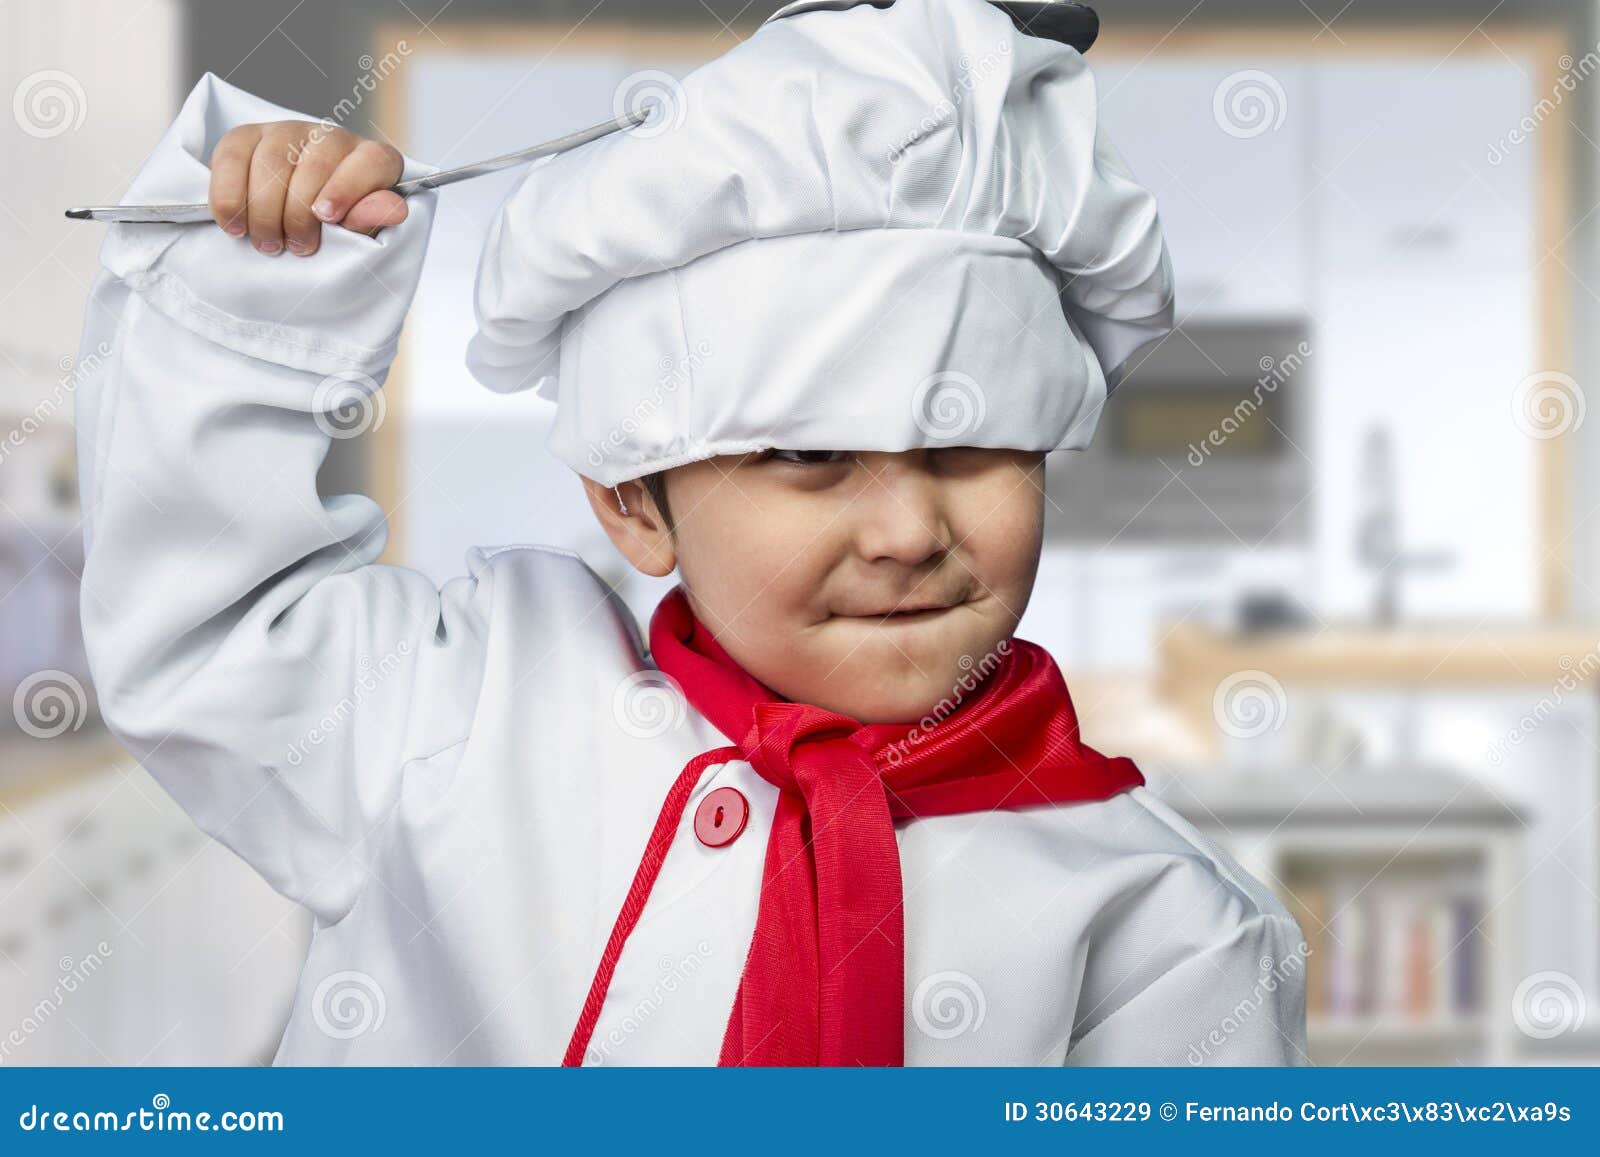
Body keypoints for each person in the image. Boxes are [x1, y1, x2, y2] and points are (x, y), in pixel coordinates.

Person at [74, 0, 1308, 1065]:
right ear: (631, 500)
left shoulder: (1171, 928)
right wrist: (259, 287)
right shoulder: (456, 708)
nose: (904, 529)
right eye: (805, 455)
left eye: (968, 446)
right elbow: (208, 626)